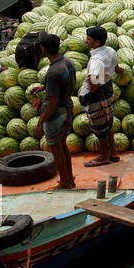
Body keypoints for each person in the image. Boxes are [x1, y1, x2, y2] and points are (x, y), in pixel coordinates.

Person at [36, 33, 76, 190]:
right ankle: (69, 179)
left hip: (56, 114)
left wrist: (41, 122)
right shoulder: (68, 62)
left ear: (43, 49)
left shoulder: (53, 71)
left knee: (56, 149)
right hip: (67, 107)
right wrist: (43, 87)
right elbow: (64, 81)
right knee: (63, 146)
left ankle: (65, 181)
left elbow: (52, 101)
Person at [79, 26, 119, 167]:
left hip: (96, 95)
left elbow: (94, 83)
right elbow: (117, 68)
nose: (86, 41)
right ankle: (113, 152)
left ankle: (103, 156)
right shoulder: (110, 51)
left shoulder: (96, 60)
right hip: (108, 90)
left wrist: (91, 87)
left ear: (96, 42)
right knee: (107, 122)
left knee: (99, 126)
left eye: (88, 39)